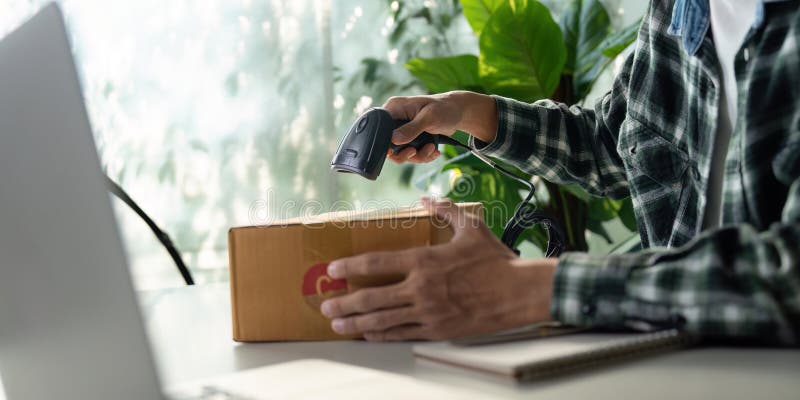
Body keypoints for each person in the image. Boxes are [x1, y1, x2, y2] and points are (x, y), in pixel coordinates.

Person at [319, 0, 800, 345]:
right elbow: (612, 145)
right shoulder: (681, 9)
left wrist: (530, 288)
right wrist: (470, 113)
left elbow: (787, 274)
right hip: (672, 361)